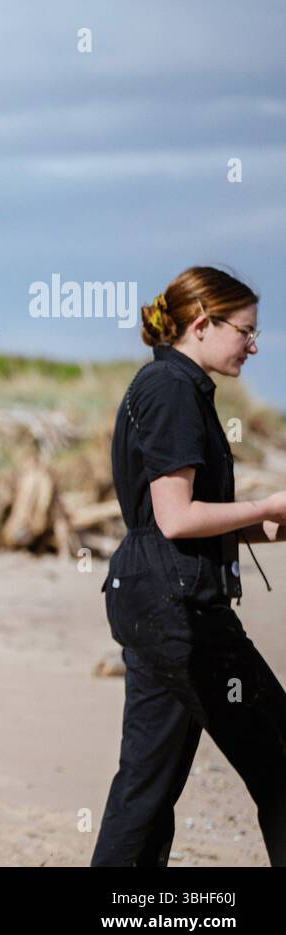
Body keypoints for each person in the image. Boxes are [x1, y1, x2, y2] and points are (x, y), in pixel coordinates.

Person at [91, 266, 286, 867]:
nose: (254, 346)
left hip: (155, 601)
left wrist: (268, 525)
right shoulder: (173, 389)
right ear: (202, 324)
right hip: (178, 611)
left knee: (146, 789)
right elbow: (175, 519)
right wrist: (267, 503)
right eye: (245, 332)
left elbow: (167, 522)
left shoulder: (167, 384)